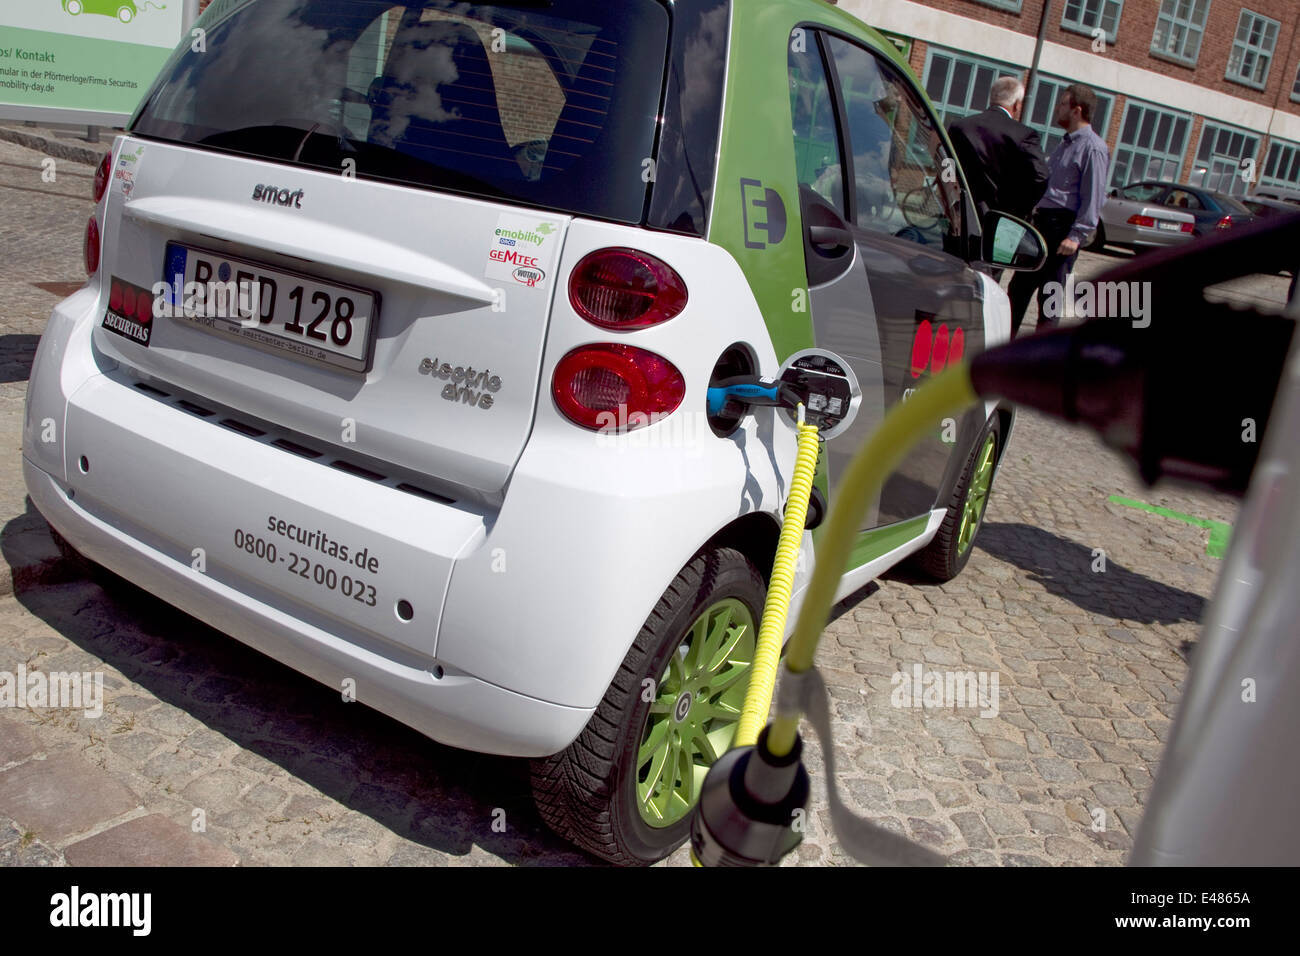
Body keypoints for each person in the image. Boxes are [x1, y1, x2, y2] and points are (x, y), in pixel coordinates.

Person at [1008, 83, 1111, 336]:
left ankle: (1040, 363)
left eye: (1062, 104)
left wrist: (1076, 236)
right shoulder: (1065, 143)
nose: (1057, 109)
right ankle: (1006, 351)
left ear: (1077, 111)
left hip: (1061, 230)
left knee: (1049, 298)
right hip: (1040, 225)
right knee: (1018, 289)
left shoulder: (1093, 148)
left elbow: (1094, 197)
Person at [947, 76, 1050, 225]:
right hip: (1001, 219)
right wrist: (1019, 210)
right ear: (1017, 105)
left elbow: (945, 162)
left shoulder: (959, 126)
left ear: (992, 98)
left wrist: (949, 196)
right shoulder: (1023, 134)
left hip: (960, 214)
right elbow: (1040, 176)